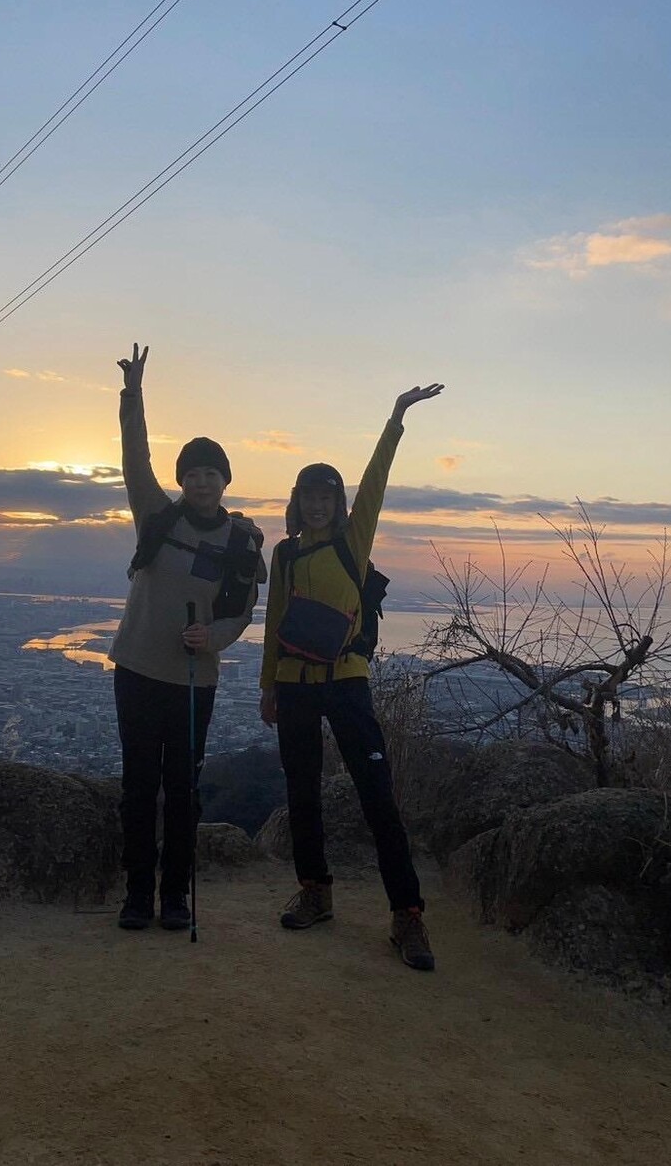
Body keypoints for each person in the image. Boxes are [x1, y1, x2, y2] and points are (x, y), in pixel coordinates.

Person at [259, 382, 444, 970]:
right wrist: (268, 684)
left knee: (376, 796)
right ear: (297, 501)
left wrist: (395, 418)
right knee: (302, 792)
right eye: (308, 496)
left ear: (339, 503)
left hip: (346, 679)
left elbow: (377, 482)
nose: (318, 505)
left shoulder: (352, 542)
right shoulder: (284, 554)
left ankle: (407, 915)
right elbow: (274, 623)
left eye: (327, 496)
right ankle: (315, 891)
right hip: (293, 683)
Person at [110, 344, 266, 931]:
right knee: (137, 786)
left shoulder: (241, 542)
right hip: (136, 669)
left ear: (225, 481)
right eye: (193, 473)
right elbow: (133, 459)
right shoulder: (157, 515)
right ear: (182, 480)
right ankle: (135, 895)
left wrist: (215, 637)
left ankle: (174, 896)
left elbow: (246, 612)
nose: (202, 482)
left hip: (194, 678)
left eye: (212, 473)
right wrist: (134, 395)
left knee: (183, 790)